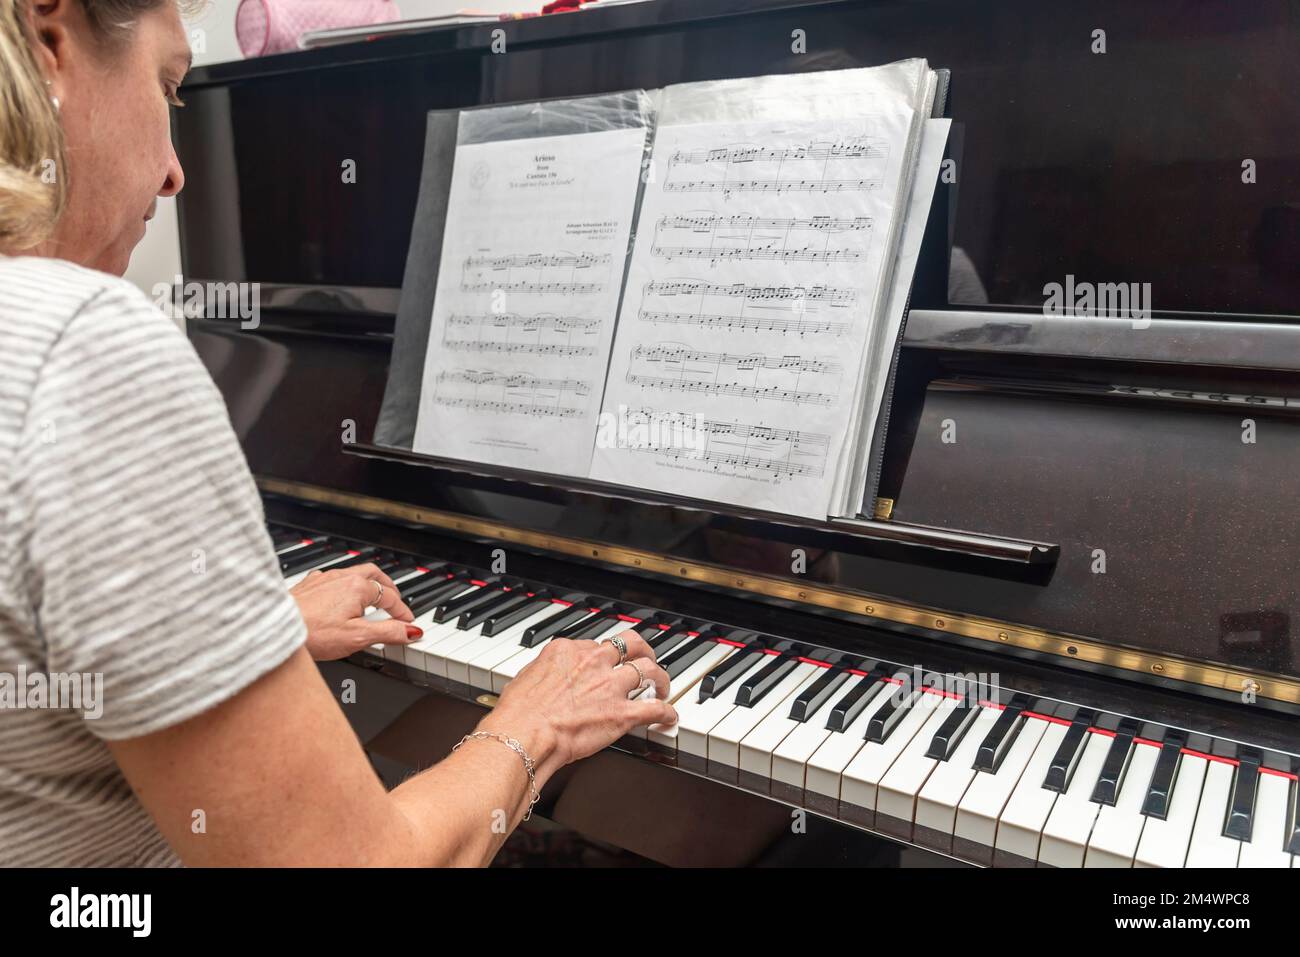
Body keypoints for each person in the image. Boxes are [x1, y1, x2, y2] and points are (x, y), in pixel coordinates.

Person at [0, 0, 677, 866]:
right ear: (52, 42)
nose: (176, 172)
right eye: (169, 87)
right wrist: (530, 729)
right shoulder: (83, 346)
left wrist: (239, 632)